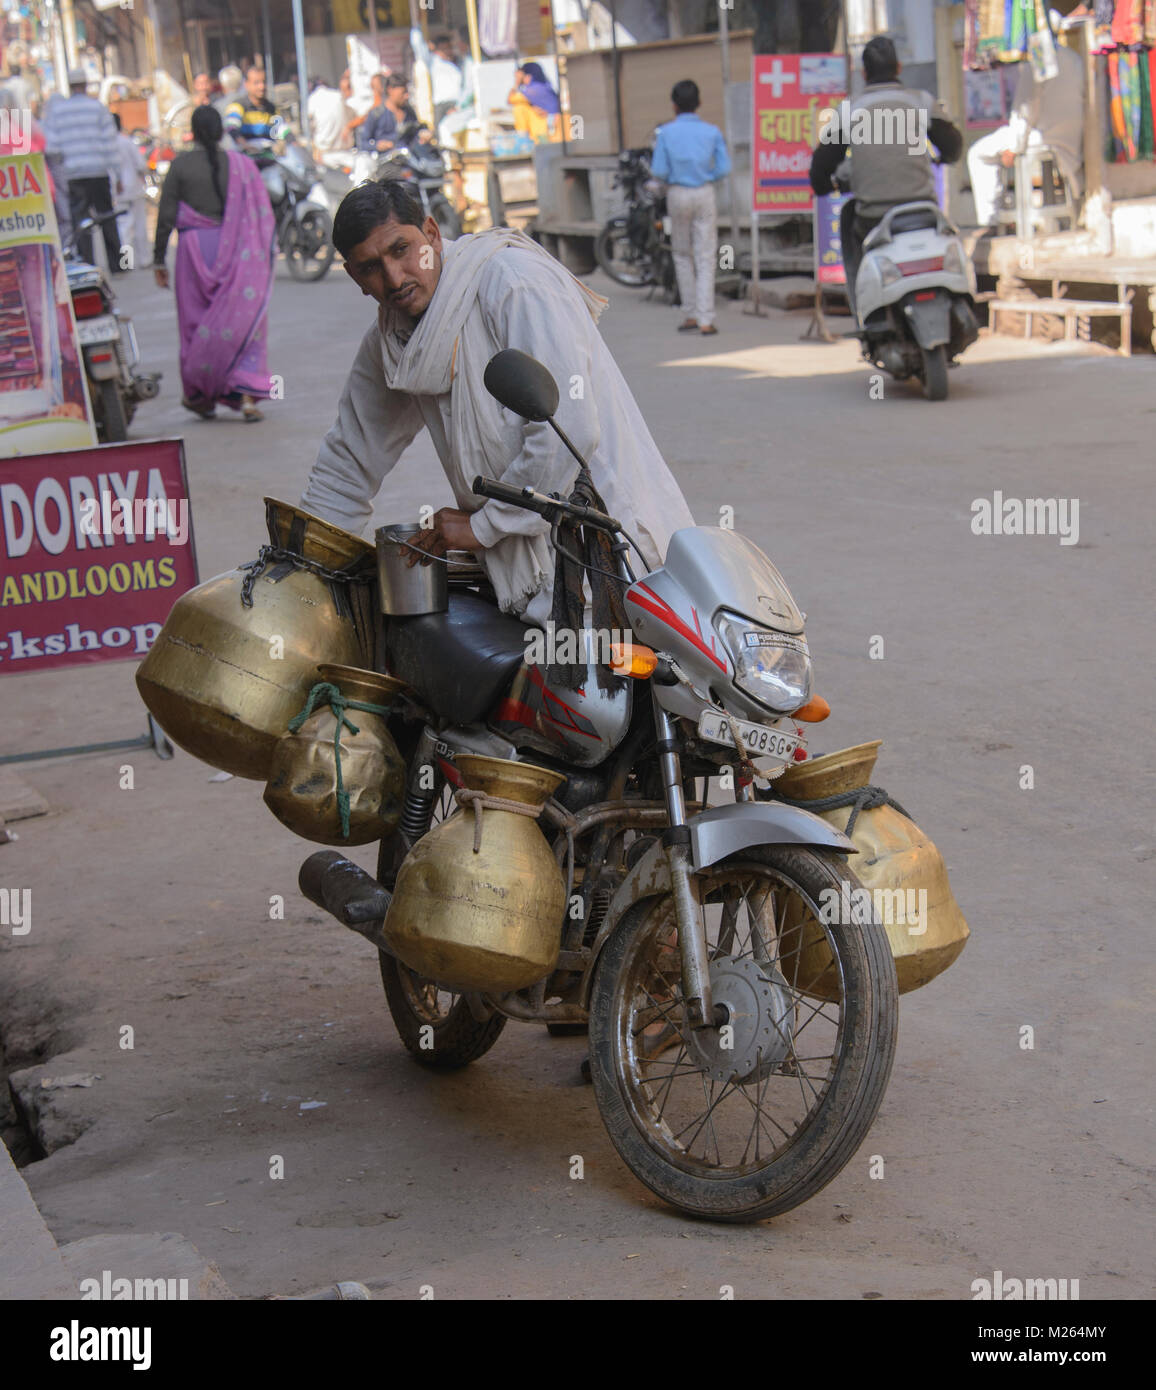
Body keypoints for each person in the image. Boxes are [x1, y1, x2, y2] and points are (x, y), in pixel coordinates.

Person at [300, 181, 694, 628]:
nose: (394, 278)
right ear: (354, 276)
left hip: (614, 557)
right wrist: (302, 567)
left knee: (638, 690)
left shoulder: (511, 282)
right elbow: (348, 461)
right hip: (526, 583)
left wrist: (481, 528)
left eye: (402, 249)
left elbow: (568, 431)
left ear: (430, 232)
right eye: (372, 267)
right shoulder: (394, 342)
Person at [809, 36, 962, 316]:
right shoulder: (922, 102)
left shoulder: (849, 110)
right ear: (899, 68)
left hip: (874, 217)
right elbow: (952, 146)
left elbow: (821, 165)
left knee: (849, 221)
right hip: (924, 210)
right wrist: (944, 158)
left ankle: (863, 313)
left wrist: (824, 186)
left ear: (864, 73)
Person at [153, 105, 275, 423]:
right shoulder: (243, 166)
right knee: (243, 324)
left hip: (194, 253)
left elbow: (166, 217)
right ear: (222, 131)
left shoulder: (180, 166)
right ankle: (248, 397)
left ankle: (201, 398)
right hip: (239, 250)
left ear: (192, 132)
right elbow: (264, 213)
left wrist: (158, 261)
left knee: (196, 326)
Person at [966, 36, 1084, 227]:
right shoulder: (1075, 59)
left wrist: (1014, 146)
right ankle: (1042, 219)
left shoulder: (1036, 58)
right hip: (1070, 137)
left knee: (977, 154)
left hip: (1040, 136)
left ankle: (991, 221)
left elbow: (1026, 110)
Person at [650, 79, 731, 337]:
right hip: (704, 192)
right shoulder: (712, 132)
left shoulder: (665, 133)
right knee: (706, 255)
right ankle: (706, 319)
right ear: (699, 103)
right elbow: (724, 168)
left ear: (674, 106)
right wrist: (706, 173)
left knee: (682, 254)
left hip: (677, 194)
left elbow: (659, 170)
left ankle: (689, 314)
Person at [42, 68, 121, 270]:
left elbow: (52, 147)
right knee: (107, 216)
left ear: (69, 87)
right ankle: (117, 265)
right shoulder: (98, 108)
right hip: (98, 172)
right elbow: (110, 143)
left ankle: (87, 264)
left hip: (73, 174)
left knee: (81, 220)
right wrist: (118, 174)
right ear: (85, 85)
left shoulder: (58, 112)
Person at [112, 112, 148, 268]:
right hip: (134, 188)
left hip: (118, 191)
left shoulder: (106, 145)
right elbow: (141, 165)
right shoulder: (127, 142)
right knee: (140, 225)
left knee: (124, 226)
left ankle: (126, 262)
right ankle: (145, 259)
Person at [357, 74, 423, 154]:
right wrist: (377, 146)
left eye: (407, 92)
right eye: (403, 92)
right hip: (385, 162)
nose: (406, 96)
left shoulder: (409, 112)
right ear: (390, 90)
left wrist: (423, 136)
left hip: (407, 160)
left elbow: (416, 135)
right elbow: (363, 143)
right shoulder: (376, 114)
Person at [224, 65, 282, 154]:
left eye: (263, 82)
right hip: (247, 158)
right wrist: (245, 145)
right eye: (256, 83)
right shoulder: (238, 106)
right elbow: (232, 128)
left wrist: (292, 143)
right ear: (246, 85)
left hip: (269, 158)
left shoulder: (272, 108)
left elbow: (281, 130)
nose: (261, 87)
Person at [308, 69, 356, 167]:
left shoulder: (312, 99)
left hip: (325, 154)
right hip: (346, 152)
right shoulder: (338, 95)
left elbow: (310, 126)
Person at [509, 62, 561, 141]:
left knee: (519, 107)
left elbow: (510, 99)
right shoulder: (544, 87)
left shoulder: (533, 90)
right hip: (551, 128)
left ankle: (522, 137)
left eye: (523, 76)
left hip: (547, 132)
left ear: (529, 76)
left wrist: (517, 82)